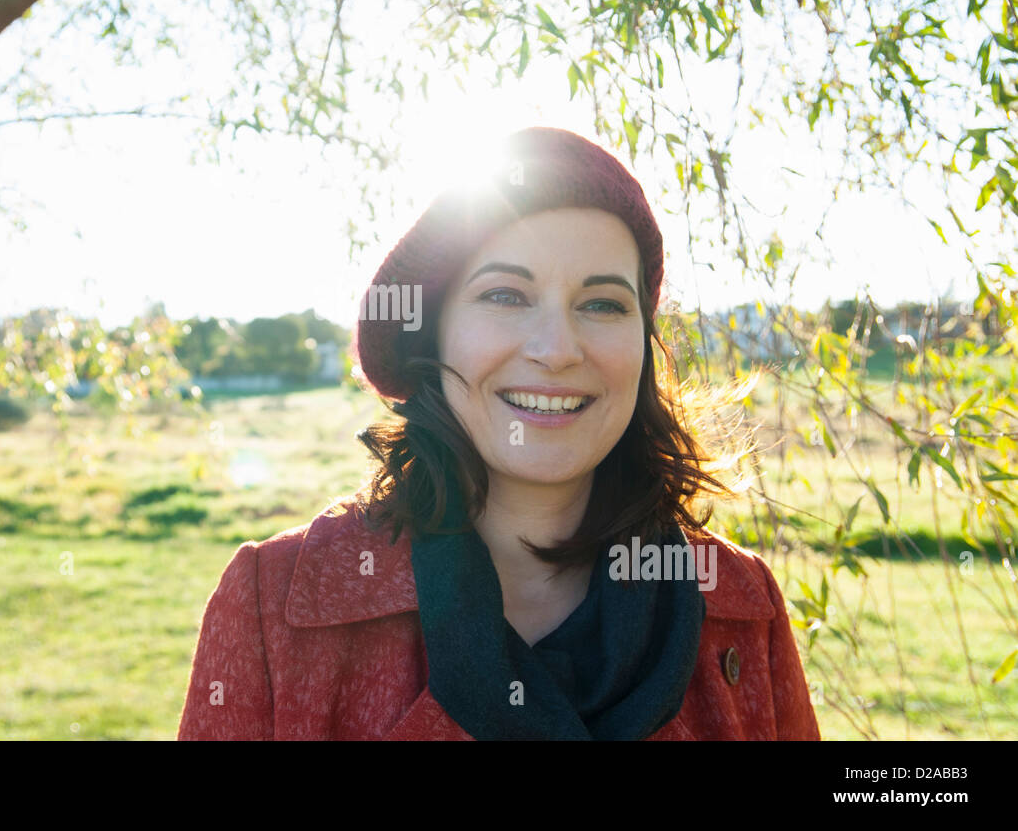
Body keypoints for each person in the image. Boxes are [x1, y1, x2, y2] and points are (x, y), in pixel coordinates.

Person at [177, 126, 822, 740]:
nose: (557, 349)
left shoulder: (741, 606)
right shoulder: (273, 606)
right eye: (505, 296)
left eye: (602, 304)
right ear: (435, 333)